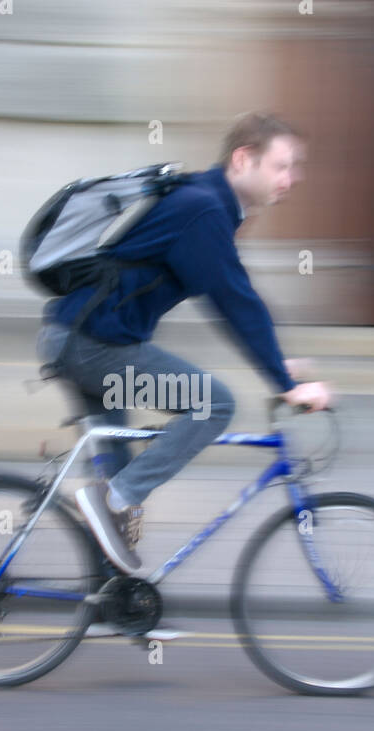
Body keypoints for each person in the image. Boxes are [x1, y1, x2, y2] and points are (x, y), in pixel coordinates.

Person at [35, 111, 333, 580]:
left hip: (82, 342)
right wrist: (283, 382)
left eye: (295, 167)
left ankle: (115, 602)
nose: (291, 179)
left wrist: (280, 364)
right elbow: (235, 302)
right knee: (213, 405)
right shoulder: (203, 209)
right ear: (243, 159)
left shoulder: (205, 202)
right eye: (282, 165)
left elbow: (236, 294)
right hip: (91, 348)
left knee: (115, 500)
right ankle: (112, 500)